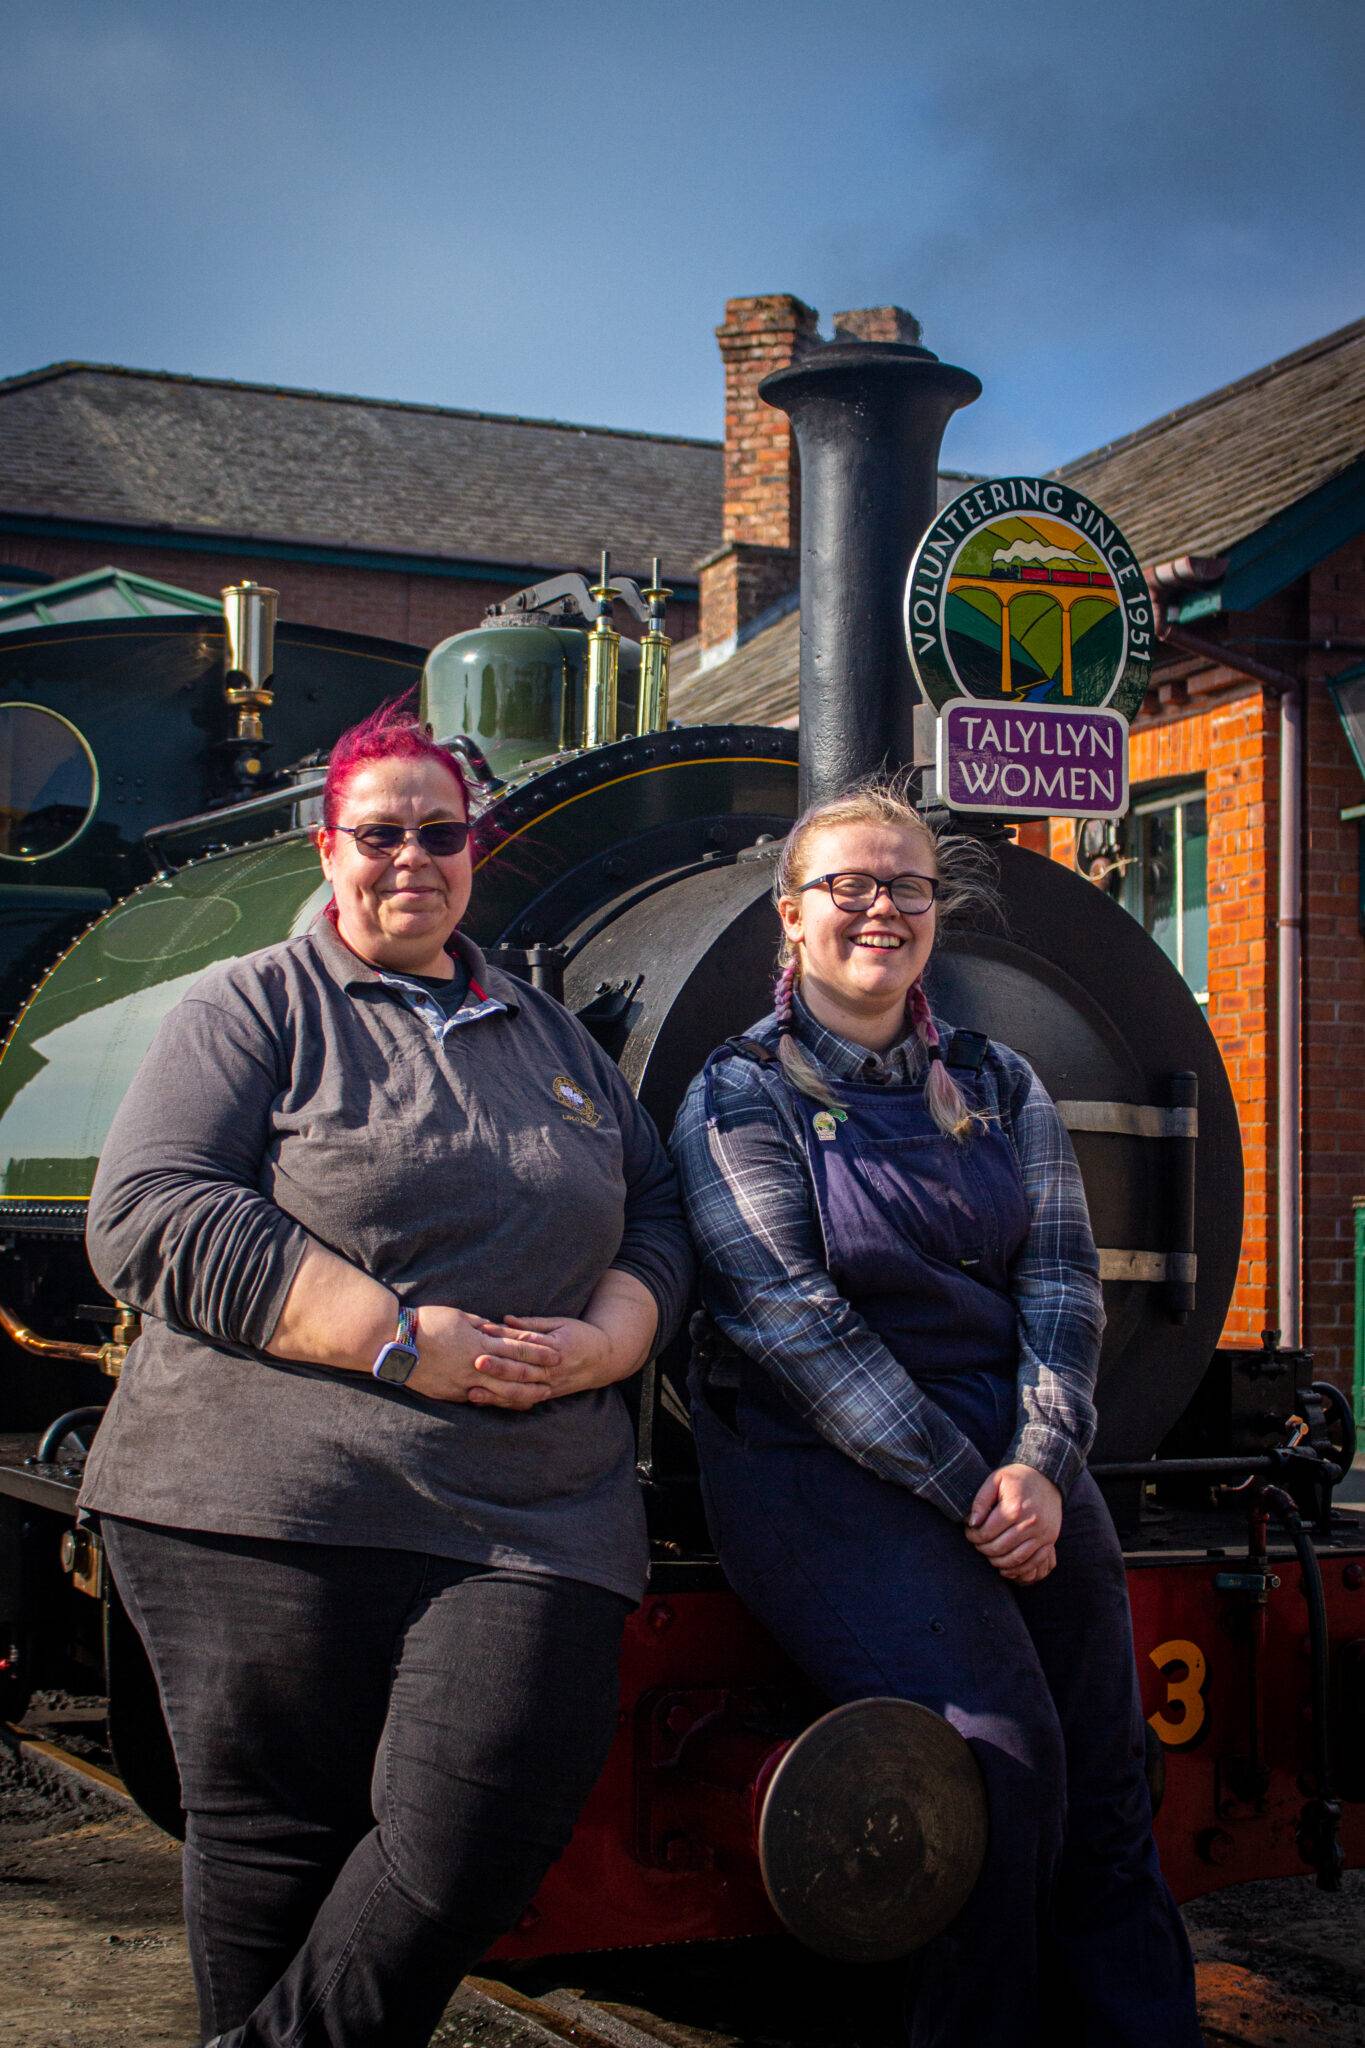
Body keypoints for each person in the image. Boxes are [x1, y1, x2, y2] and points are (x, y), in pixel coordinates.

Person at [79, 696, 693, 2048]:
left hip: (533, 1513)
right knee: (277, 1845)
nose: (412, 856)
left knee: (475, 1835)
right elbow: (147, 1209)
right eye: (380, 833)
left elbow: (655, 1206)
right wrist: (396, 1337)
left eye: (442, 832)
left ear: (476, 849)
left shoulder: (551, 1037)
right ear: (329, 849)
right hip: (267, 1500)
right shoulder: (253, 1004)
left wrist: (614, 1336)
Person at [670, 778, 1201, 2048]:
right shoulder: (738, 1093)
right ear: (791, 916)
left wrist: (1043, 1458)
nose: (881, 909)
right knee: (1003, 1758)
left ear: (936, 911)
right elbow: (795, 1325)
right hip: (820, 1466)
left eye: (906, 886)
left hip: (1014, 1456)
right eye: (848, 885)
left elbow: (1063, 1279)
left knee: (1107, 1773)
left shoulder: (1001, 1079)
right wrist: (979, 1487)